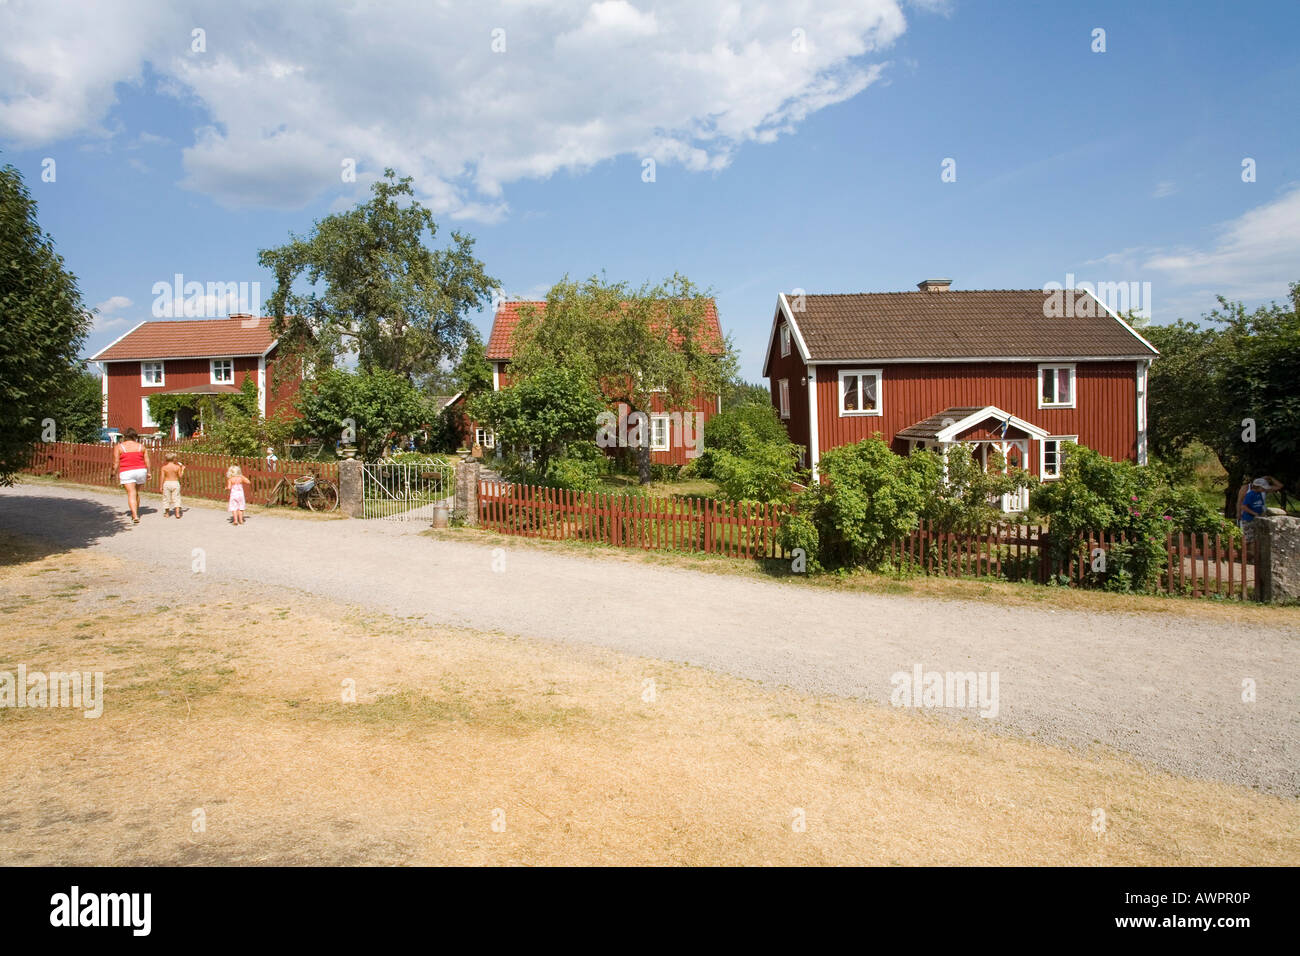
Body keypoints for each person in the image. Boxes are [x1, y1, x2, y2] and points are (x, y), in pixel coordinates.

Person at [112, 428, 150, 525]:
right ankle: (136, 511)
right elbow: (147, 461)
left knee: (131, 493)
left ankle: (135, 515)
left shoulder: (119, 447)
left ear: (125, 436)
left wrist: (113, 472)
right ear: (135, 436)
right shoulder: (141, 446)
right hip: (141, 471)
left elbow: (116, 462)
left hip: (127, 471)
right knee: (136, 492)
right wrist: (149, 472)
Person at [1239, 475, 1283, 545]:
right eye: (1263, 488)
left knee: (1256, 540)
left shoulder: (1259, 494)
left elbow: (1261, 505)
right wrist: (1254, 513)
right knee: (1248, 540)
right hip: (1248, 519)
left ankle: (1255, 554)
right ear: (1258, 487)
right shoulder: (1250, 494)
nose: (1264, 490)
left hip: (1257, 518)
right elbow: (1243, 506)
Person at [159, 453, 186, 519]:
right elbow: (180, 476)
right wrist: (182, 469)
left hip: (167, 483)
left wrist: (160, 486)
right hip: (175, 482)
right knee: (176, 498)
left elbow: (162, 477)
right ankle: (177, 513)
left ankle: (167, 513)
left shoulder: (164, 467)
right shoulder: (177, 467)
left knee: (166, 498)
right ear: (174, 459)